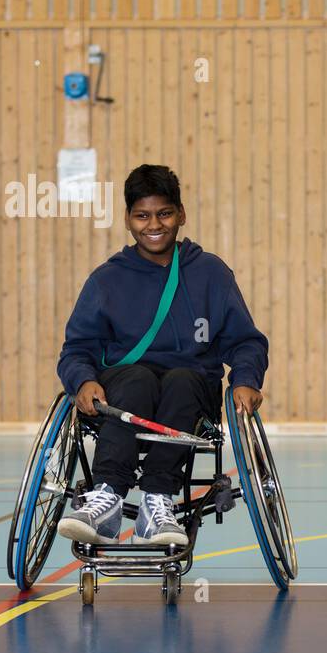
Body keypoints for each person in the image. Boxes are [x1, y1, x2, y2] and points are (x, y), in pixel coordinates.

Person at [55, 164, 269, 547]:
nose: (154, 224)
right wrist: (83, 380)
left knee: (183, 380)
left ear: (181, 214)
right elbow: (76, 349)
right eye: (142, 215)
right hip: (124, 389)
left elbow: (245, 341)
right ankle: (106, 497)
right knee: (136, 378)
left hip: (190, 389)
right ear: (127, 220)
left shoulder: (210, 273)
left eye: (164, 213)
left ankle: (157, 500)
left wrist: (246, 379)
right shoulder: (107, 280)